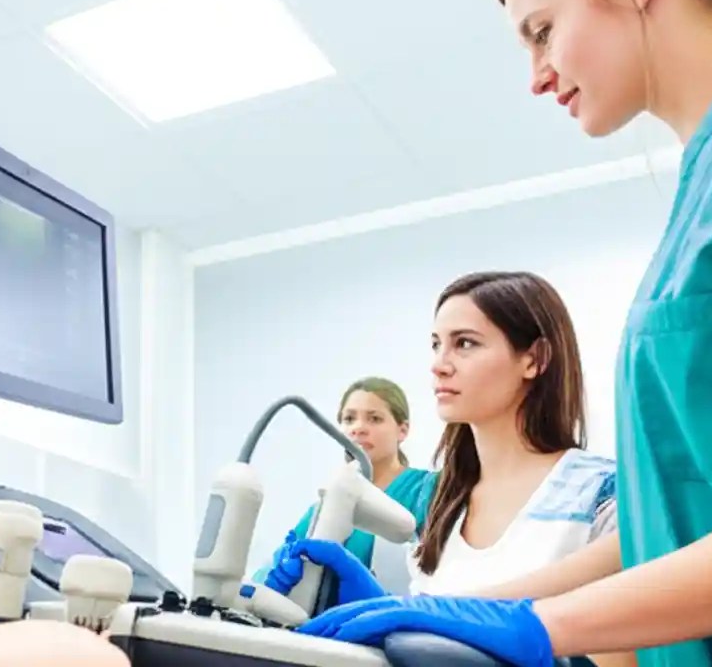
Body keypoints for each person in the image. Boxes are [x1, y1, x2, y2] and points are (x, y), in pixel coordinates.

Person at [275, 0, 712, 666]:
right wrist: (442, 607)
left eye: (542, 29)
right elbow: (672, 528)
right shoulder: (697, 201)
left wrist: (545, 629)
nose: (536, 75)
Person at [265, 273, 628, 666]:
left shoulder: (601, 495)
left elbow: (622, 655)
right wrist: (380, 611)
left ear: (534, 358)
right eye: (437, 345)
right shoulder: (442, 505)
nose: (439, 365)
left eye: (465, 344)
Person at [251, 377, 436, 584]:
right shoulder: (326, 507)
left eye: (374, 419)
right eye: (349, 419)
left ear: (402, 430)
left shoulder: (428, 489)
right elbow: (269, 573)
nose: (358, 428)